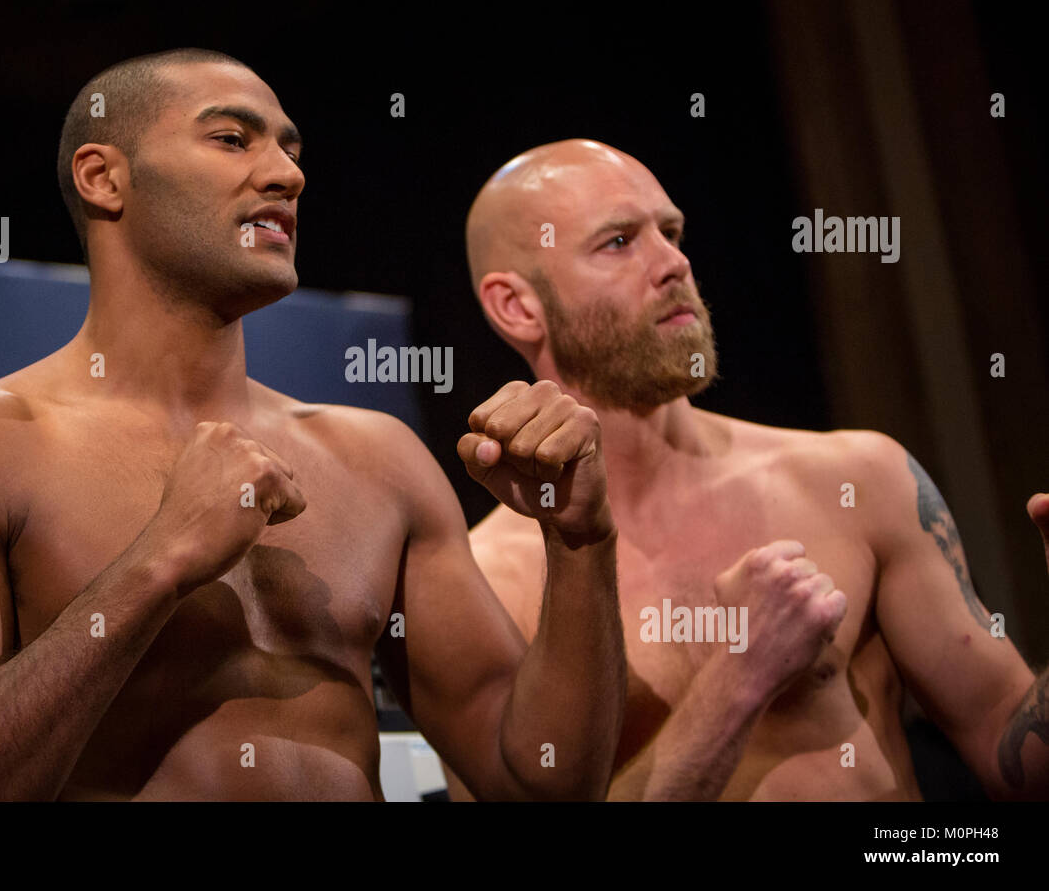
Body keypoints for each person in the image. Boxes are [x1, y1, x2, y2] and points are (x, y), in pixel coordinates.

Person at [0, 52, 625, 801]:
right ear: (103, 178)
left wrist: (583, 544)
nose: (287, 174)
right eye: (231, 138)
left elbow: (543, 782)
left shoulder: (377, 457)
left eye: (291, 150)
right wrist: (158, 563)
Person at [444, 137, 1049, 800]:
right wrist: (740, 675)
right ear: (517, 306)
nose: (674, 263)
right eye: (619, 242)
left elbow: (1014, 759)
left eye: (670, 232)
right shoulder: (487, 584)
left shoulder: (858, 481)